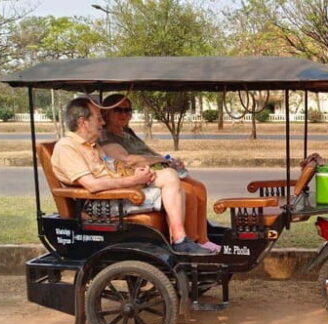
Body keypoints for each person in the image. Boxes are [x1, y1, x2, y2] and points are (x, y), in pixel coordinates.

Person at [51, 97, 215, 255]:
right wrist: (134, 180)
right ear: (82, 122)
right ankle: (180, 241)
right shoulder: (67, 147)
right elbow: (92, 185)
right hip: (103, 203)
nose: (102, 123)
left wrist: (138, 175)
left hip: (118, 192)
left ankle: (181, 239)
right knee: (181, 191)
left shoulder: (92, 145)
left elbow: (114, 169)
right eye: (99, 118)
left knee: (170, 175)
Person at [98, 94, 212, 247]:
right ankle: (186, 241)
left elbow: (151, 153)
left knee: (198, 187)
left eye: (128, 110)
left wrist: (170, 160)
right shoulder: (106, 137)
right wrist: (162, 161)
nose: (124, 114)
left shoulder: (128, 133)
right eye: (118, 110)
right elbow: (127, 160)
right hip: (141, 176)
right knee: (188, 191)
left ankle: (203, 240)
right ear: (106, 113)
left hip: (157, 170)